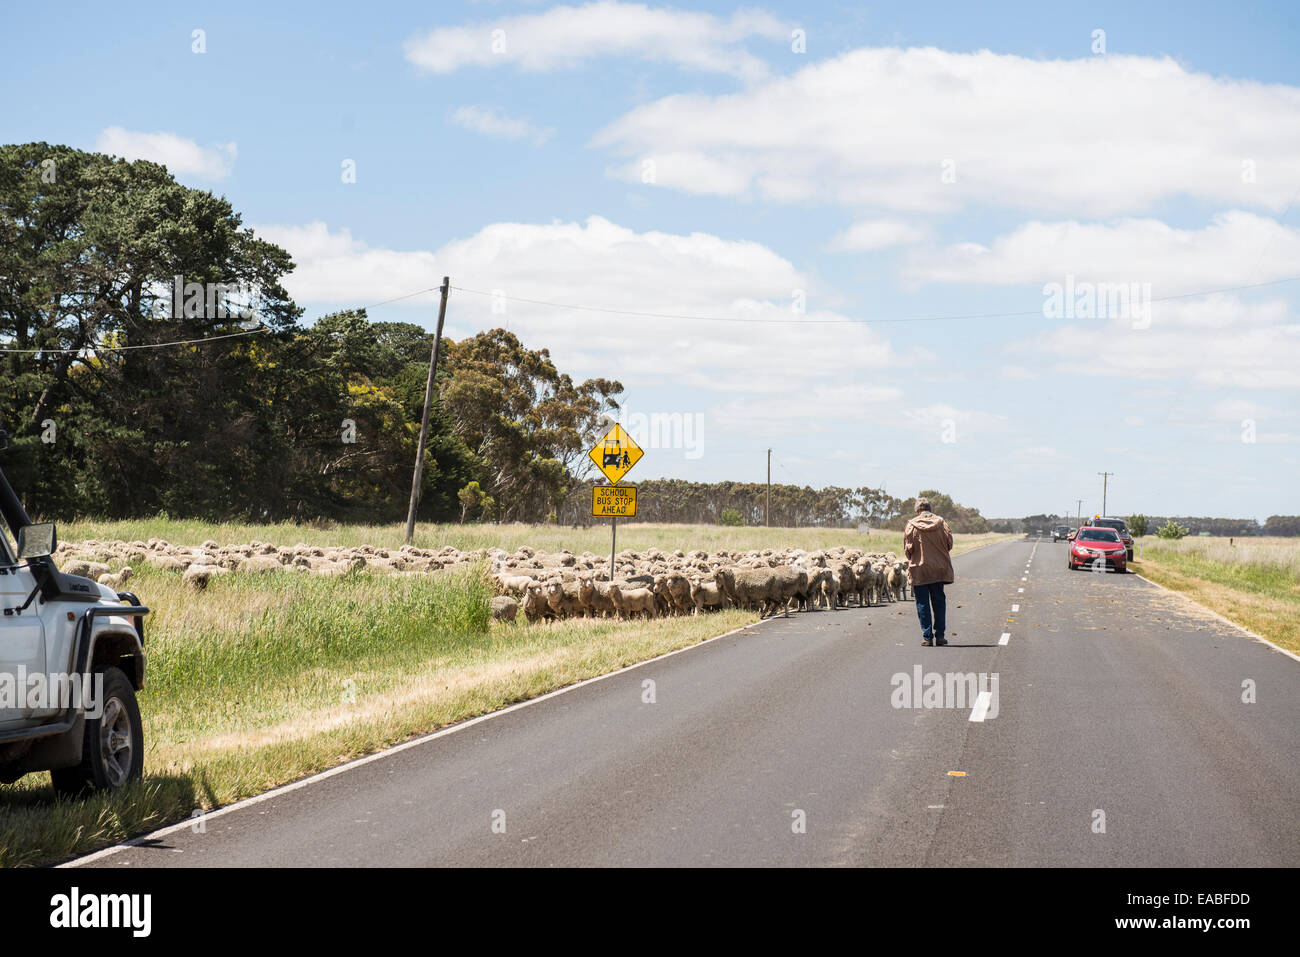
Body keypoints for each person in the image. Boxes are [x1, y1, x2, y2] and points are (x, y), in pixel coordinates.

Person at [904, 498, 955, 647]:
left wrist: (916, 557)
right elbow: (949, 543)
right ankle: (940, 636)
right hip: (938, 569)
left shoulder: (911, 525)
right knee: (939, 602)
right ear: (930, 509)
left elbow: (908, 549)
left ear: (917, 510)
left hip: (920, 570)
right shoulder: (942, 523)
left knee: (922, 603)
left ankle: (927, 637)